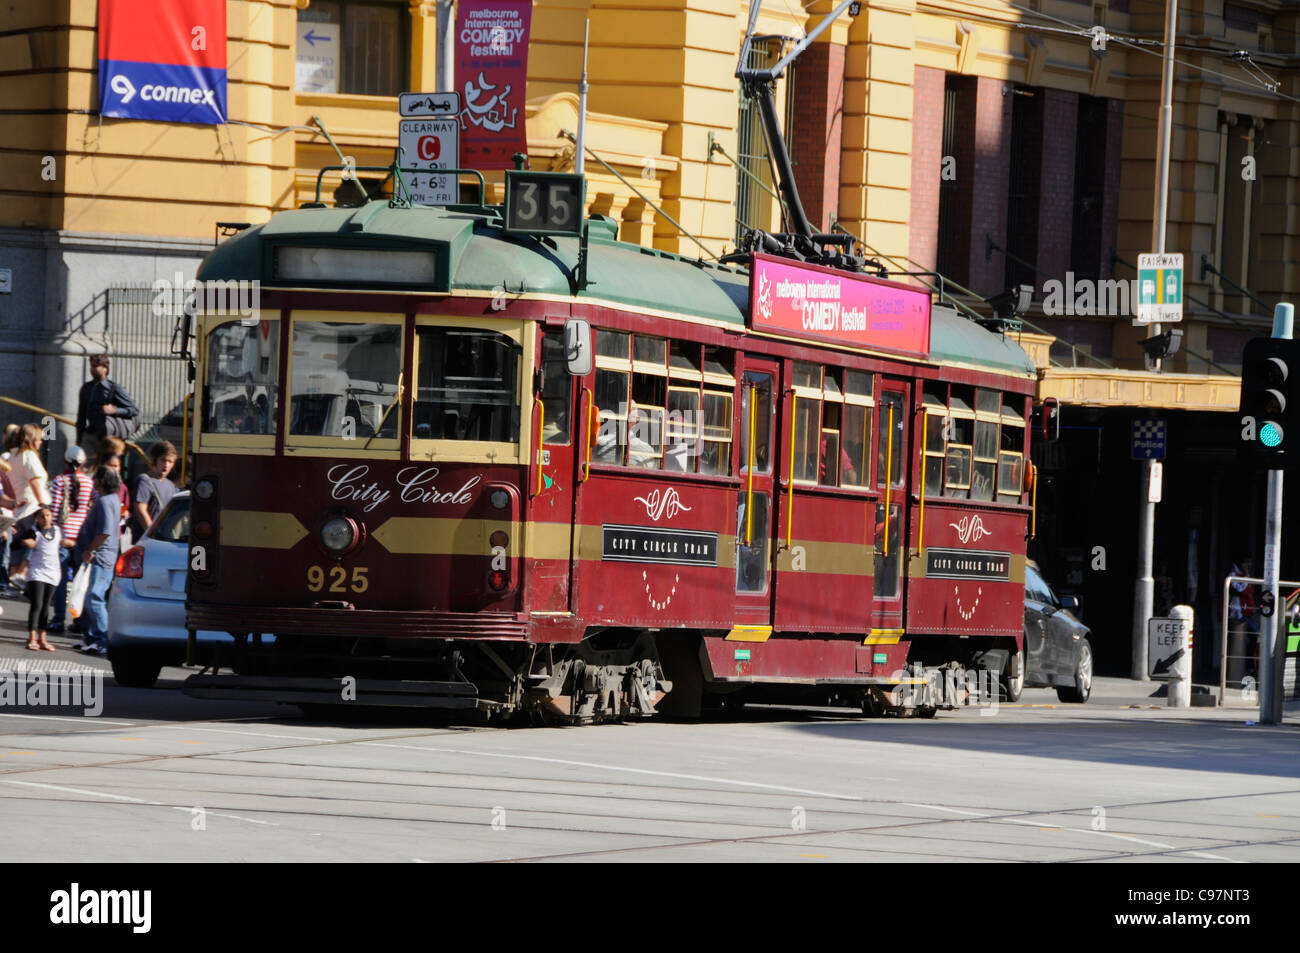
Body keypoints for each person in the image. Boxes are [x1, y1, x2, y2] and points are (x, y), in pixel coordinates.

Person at [47, 446, 94, 632]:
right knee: (80, 582)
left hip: (63, 537)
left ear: (65, 461)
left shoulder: (59, 481)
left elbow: (55, 510)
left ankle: (58, 618)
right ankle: (79, 621)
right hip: (82, 539)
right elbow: (93, 506)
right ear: (83, 462)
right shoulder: (90, 483)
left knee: (60, 580)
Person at [78, 467, 123, 657]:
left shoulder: (105, 501)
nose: (93, 481)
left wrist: (90, 549)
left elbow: (104, 531)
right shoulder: (111, 500)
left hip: (101, 556)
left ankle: (104, 639)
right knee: (89, 596)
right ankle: (91, 638)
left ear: (101, 481)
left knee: (94, 598)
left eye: (96, 478)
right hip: (103, 555)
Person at [5, 423, 51, 590]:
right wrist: (43, 506)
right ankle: (22, 574)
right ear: (32, 439)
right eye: (39, 439)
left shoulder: (14, 455)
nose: (41, 442)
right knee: (36, 542)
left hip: (18, 509)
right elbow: (35, 483)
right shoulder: (30, 456)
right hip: (31, 507)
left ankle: (12, 579)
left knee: (18, 548)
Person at [76, 355, 139, 459]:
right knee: (85, 466)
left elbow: (134, 410)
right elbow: (81, 415)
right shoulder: (87, 388)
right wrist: (79, 439)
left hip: (109, 437)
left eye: (96, 366)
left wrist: (115, 410)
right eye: (92, 366)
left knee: (105, 468)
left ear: (105, 368)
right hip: (91, 435)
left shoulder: (114, 388)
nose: (93, 369)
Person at [16, 505, 60, 652]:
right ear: (37, 519)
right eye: (42, 516)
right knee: (37, 604)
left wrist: (71, 544)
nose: (46, 518)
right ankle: (32, 637)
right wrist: (24, 542)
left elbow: (68, 543)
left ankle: (43, 638)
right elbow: (15, 544)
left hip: (53, 573)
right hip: (37, 572)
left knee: (46, 606)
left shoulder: (58, 531)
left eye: (48, 515)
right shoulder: (33, 532)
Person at [127, 441, 178, 542]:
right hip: (146, 541)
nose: (166, 465)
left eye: (170, 461)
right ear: (154, 460)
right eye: (163, 460)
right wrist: (152, 535)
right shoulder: (145, 480)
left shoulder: (171, 486)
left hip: (165, 540)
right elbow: (141, 510)